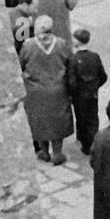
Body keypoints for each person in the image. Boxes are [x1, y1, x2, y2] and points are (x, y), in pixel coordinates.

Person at [19, 14, 72, 165]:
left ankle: (44, 151)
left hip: (36, 90)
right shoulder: (61, 43)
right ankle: (57, 152)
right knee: (57, 119)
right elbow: (69, 62)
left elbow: (21, 63)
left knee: (40, 120)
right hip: (58, 88)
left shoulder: (28, 45)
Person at [65, 27, 107, 157]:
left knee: (81, 118)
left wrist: (72, 94)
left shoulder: (73, 59)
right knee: (93, 117)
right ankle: (94, 141)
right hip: (93, 93)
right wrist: (95, 86)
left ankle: (86, 143)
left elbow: (71, 81)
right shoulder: (94, 56)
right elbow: (103, 76)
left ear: (77, 41)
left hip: (80, 95)